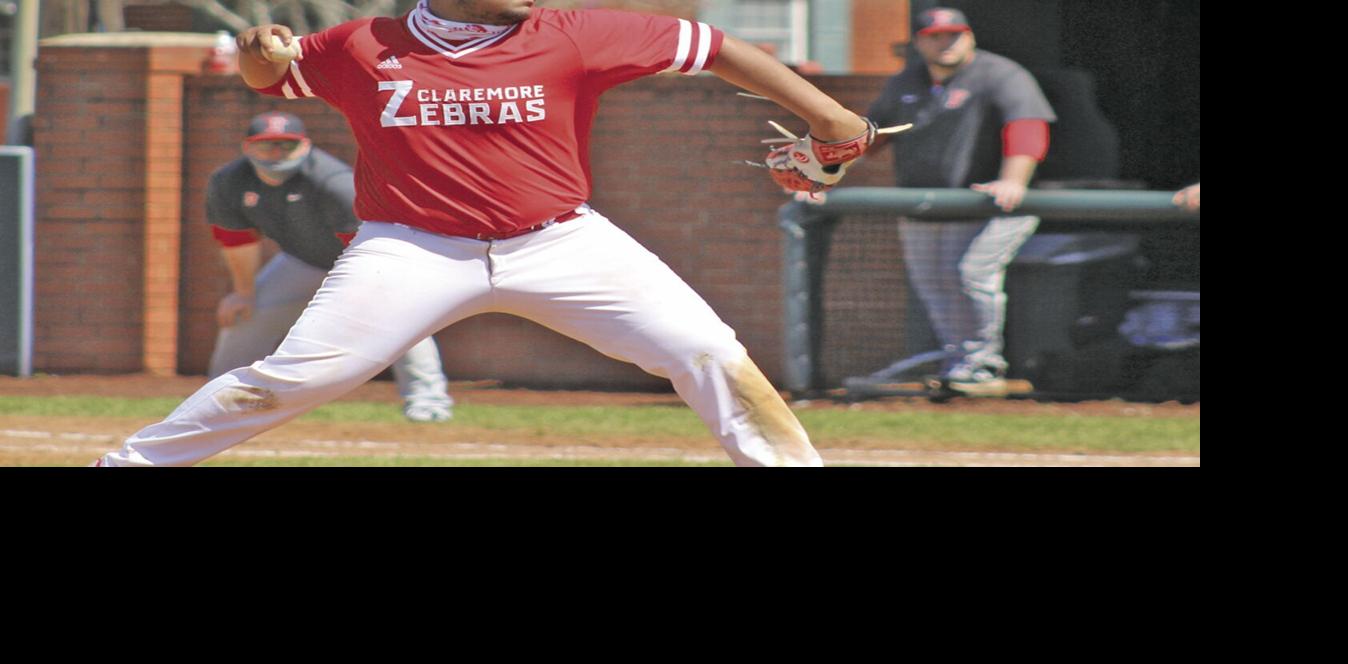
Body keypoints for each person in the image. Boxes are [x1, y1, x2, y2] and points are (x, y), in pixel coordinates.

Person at [96, 0, 872, 467]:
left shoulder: (570, 32)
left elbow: (712, 45)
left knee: (707, 351)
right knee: (300, 377)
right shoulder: (368, 43)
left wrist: (828, 115)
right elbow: (275, 78)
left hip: (561, 240)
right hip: (411, 245)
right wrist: (253, 53)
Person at [206, 111, 455, 422]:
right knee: (246, 313)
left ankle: (428, 403)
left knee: (400, 318)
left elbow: (366, 239)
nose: (276, 154)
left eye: (287, 145)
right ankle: (218, 402)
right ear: (246, 147)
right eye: (266, 145)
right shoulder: (229, 181)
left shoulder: (332, 181)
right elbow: (237, 241)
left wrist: (381, 287)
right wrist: (243, 292)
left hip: (363, 262)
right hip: (302, 262)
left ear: (306, 146)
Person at [866, 8, 1055, 396]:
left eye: (955, 34)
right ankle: (962, 362)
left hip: (991, 206)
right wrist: (818, 170)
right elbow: (868, 137)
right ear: (919, 42)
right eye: (935, 35)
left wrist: (1012, 180)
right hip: (926, 208)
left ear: (969, 36)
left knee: (972, 274)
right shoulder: (907, 81)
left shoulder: (1000, 73)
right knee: (935, 286)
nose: (946, 42)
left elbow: (1028, 128)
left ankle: (984, 364)